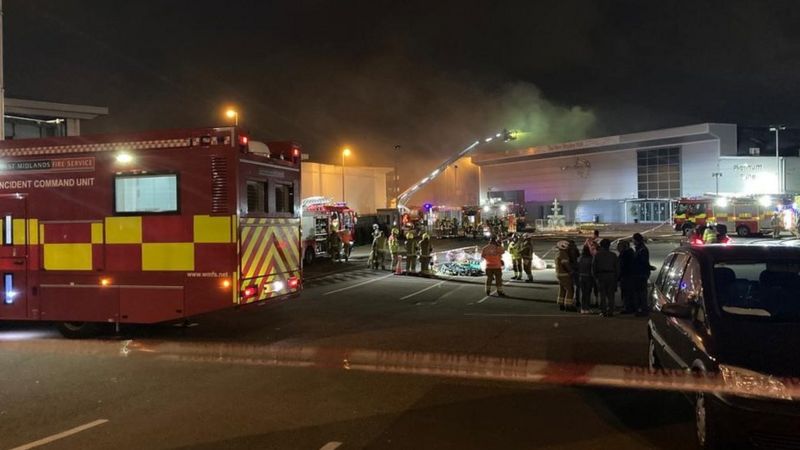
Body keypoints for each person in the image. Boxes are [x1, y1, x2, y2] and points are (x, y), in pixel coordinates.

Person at [592, 238, 619, 317]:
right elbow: (617, 268)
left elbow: (593, 267)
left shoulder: (597, 255)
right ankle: (611, 311)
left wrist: (595, 277)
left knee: (602, 295)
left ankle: (603, 311)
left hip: (601, 276)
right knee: (611, 295)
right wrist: (616, 277)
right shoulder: (613, 255)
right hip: (611, 275)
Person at [631, 233, 653, 316]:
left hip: (640, 274)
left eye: (633, 240)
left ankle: (642, 309)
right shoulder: (641, 249)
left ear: (636, 240)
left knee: (640, 292)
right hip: (641, 273)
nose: (632, 241)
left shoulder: (641, 250)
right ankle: (641, 309)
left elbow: (643, 262)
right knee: (640, 292)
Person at [617, 239, 636, 314]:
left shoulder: (625, 254)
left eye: (619, 246)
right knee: (628, 292)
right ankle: (629, 307)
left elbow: (622, 266)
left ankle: (628, 307)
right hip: (628, 276)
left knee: (626, 292)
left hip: (626, 276)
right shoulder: (630, 253)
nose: (618, 248)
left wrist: (618, 276)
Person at [555, 240, 575, 310]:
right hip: (564, 275)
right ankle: (568, 305)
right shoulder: (563, 254)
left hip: (559, 274)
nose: (568, 248)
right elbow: (565, 264)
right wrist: (571, 271)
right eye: (568, 246)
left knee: (562, 289)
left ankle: (561, 304)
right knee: (570, 289)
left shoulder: (558, 253)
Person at [577, 245, 594, 314]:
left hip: (581, 276)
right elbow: (592, 268)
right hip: (588, 277)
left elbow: (577, 267)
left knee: (583, 293)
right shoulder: (591, 259)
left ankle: (582, 308)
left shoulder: (580, 258)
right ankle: (587, 308)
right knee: (588, 293)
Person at [567, 240, 581, 309]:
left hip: (570, 267)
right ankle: (577, 300)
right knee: (577, 286)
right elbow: (578, 255)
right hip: (575, 267)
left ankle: (570, 301)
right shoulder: (575, 248)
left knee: (570, 286)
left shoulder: (567, 249)